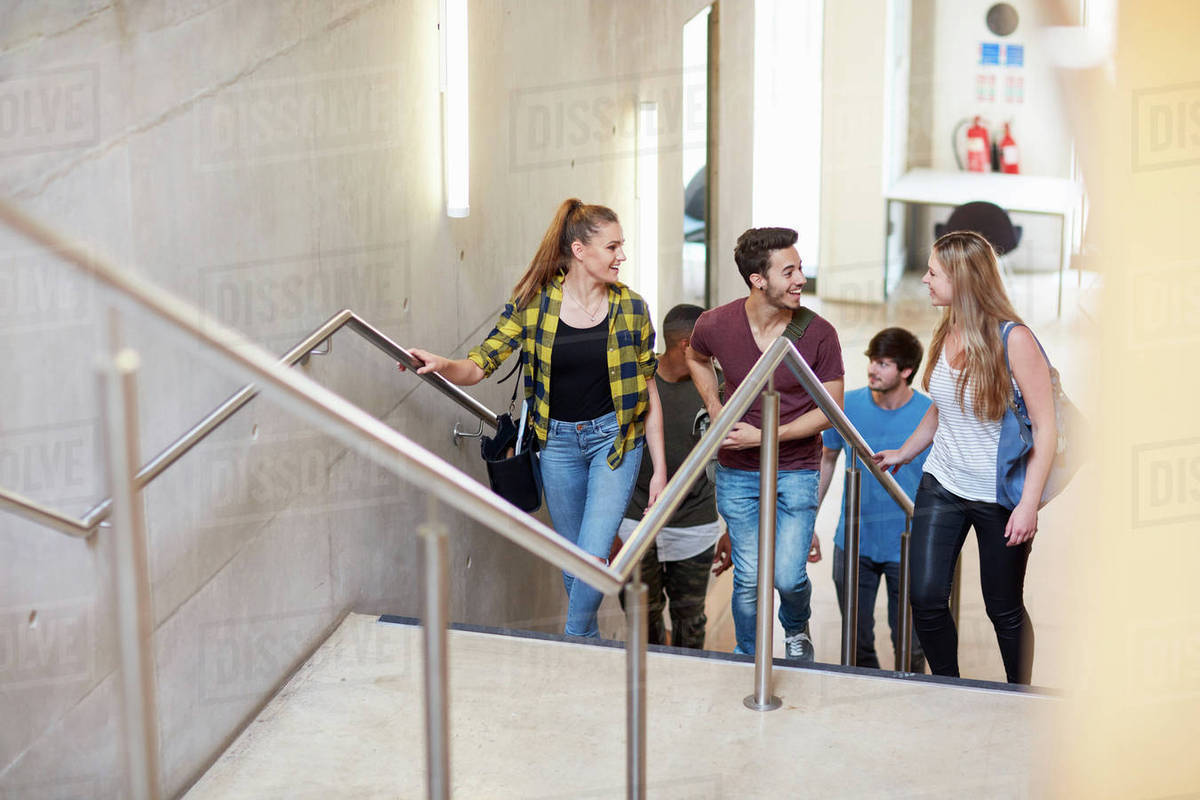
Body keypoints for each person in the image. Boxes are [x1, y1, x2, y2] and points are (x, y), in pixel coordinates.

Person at [405, 198, 666, 639]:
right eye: (613, 246)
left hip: (615, 443)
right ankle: (589, 643)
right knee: (573, 559)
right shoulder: (534, 305)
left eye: (622, 246)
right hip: (558, 447)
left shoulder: (632, 309)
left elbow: (649, 391)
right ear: (580, 250)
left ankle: (572, 641)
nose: (622, 256)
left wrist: (660, 469)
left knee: (593, 554)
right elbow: (479, 364)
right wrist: (442, 364)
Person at [873, 231, 1055, 684]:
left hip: (999, 496)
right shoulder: (947, 328)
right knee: (927, 596)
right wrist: (905, 450)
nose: (924, 279)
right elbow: (943, 407)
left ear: (963, 278)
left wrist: (1029, 505)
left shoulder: (1015, 340)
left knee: (1003, 609)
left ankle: (1020, 692)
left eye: (933, 272)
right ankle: (949, 686)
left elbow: (1046, 427)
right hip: (943, 483)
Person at [686, 227, 844, 661]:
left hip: (796, 469)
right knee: (750, 578)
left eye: (801, 269)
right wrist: (715, 405)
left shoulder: (819, 333)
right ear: (758, 279)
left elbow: (831, 410)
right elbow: (695, 356)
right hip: (737, 472)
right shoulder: (715, 324)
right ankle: (748, 656)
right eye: (788, 271)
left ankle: (796, 629)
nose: (801, 280)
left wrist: (764, 435)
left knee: (789, 578)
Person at [612, 304, 732, 649]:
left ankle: (686, 692)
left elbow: (736, 461)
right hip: (635, 523)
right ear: (686, 345)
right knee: (640, 615)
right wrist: (610, 529)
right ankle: (647, 687)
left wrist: (730, 528)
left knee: (689, 619)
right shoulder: (636, 383)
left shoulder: (721, 386)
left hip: (696, 524)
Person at [816, 327, 930, 673]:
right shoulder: (847, 405)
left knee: (911, 645)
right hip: (852, 544)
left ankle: (906, 703)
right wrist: (809, 520)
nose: (872, 370)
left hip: (909, 547)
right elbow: (826, 460)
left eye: (883, 364)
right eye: (871, 361)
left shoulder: (930, 415)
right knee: (856, 642)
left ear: (906, 371)